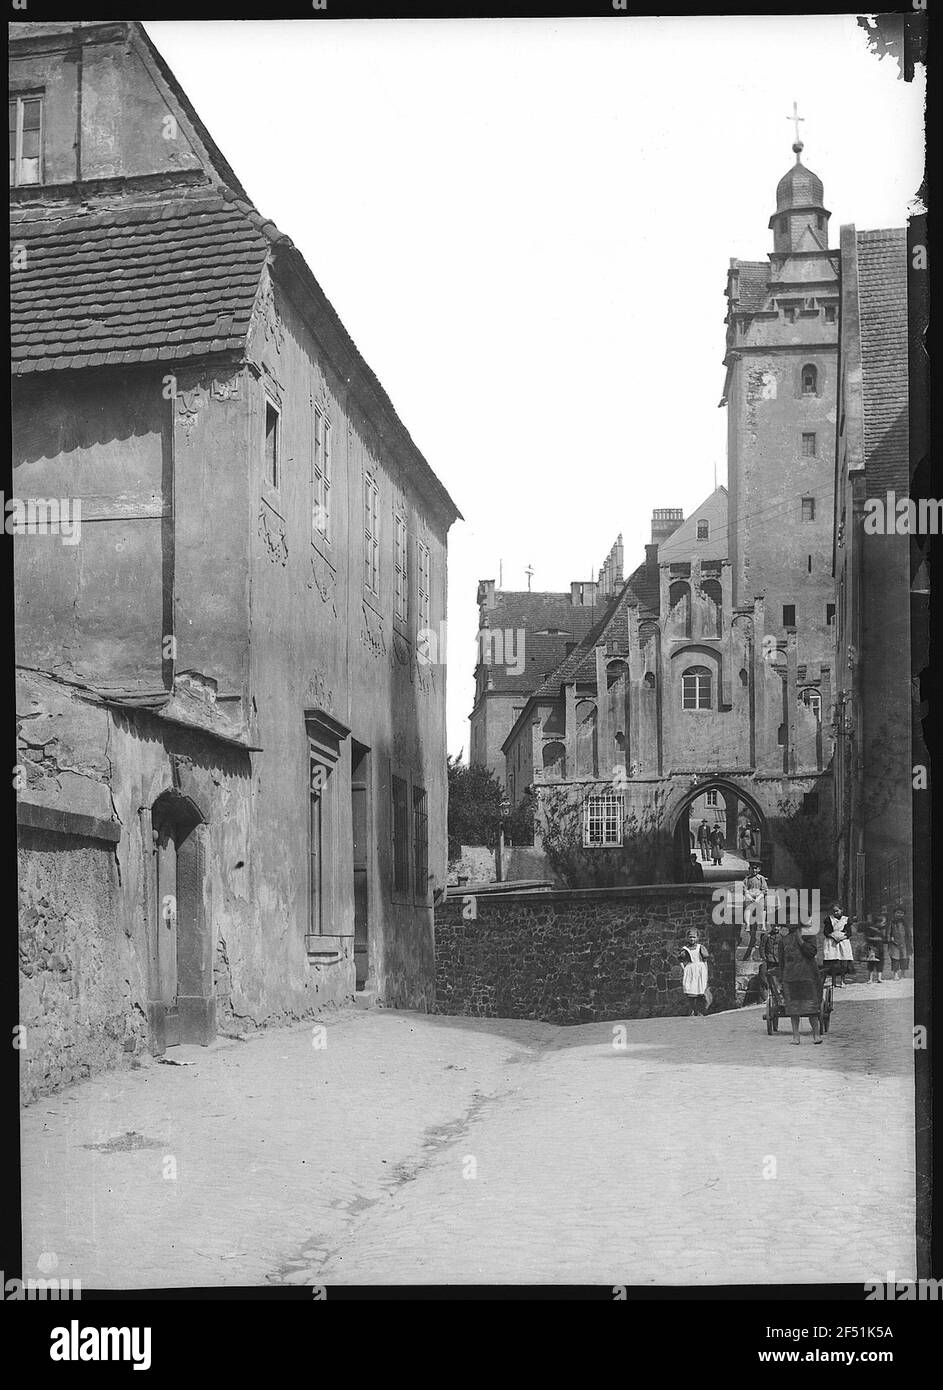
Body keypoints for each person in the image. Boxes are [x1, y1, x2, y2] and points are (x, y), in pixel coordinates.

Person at [778, 920, 823, 1044]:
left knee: (811, 1008)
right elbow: (782, 962)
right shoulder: (784, 941)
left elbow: (812, 952)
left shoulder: (810, 937)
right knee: (793, 1009)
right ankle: (796, 1036)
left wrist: (800, 940)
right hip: (791, 977)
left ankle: (816, 1035)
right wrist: (782, 978)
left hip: (807, 977)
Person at [822, 901, 855, 988]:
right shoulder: (829, 919)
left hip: (843, 941)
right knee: (833, 962)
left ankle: (843, 980)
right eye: (834, 911)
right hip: (832, 941)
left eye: (837, 911)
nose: (835, 913)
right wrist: (833, 937)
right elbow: (826, 932)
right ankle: (833, 982)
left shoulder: (846, 919)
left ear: (841, 910)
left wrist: (842, 938)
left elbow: (849, 933)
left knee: (843, 962)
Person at [680, 930, 711, 1017]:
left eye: (694, 937)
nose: (692, 939)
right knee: (691, 991)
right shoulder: (685, 949)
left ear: (697, 938)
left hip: (700, 970)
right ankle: (692, 1011)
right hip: (690, 971)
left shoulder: (700, 948)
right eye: (690, 937)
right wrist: (685, 969)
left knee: (700, 991)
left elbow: (705, 961)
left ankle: (700, 1011)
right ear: (687, 938)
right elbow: (681, 961)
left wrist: (706, 972)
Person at [742, 861, 769, 957]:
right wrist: (749, 897)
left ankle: (762, 924)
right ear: (750, 869)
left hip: (759, 897)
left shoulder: (761, 879)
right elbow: (744, 889)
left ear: (759, 869)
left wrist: (758, 898)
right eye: (752, 868)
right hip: (750, 897)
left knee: (762, 909)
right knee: (748, 909)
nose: (754, 870)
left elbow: (764, 890)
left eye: (756, 868)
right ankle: (748, 924)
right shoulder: (747, 879)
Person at [860, 911, 886, 984]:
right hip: (872, 947)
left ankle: (879, 978)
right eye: (882, 922)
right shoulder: (870, 929)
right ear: (876, 923)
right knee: (871, 962)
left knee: (880, 962)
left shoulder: (882, 930)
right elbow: (867, 938)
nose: (883, 924)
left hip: (880, 947)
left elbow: (885, 939)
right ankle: (870, 978)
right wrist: (877, 939)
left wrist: (881, 939)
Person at [887, 906, 911, 980]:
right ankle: (895, 974)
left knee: (904, 958)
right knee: (895, 958)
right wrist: (890, 938)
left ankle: (903, 974)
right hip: (894, 943)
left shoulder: (905, 923)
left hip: (904, 943)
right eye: (898, 913)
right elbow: (888, 932)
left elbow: (909, 933)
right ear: (894, 913)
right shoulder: (891, 922)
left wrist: (909, 942)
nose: (899, 914)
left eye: (901, 913)